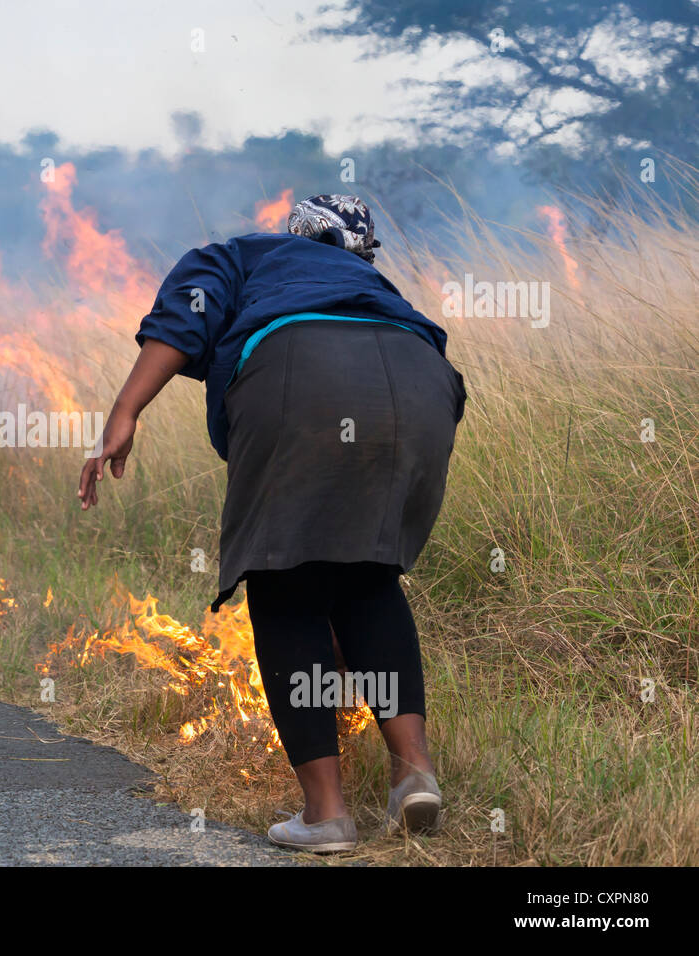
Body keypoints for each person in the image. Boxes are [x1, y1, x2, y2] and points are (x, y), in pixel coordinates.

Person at [77, 194, 467, 852]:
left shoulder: (240, 253)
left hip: (302, 374)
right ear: (359, 251)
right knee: (369, 577)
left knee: (286, 583)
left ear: (295, 233)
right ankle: (413, 773)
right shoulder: (372, 282)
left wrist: (126, 410)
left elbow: (185, 315)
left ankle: (326, 814)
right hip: (422, 384)